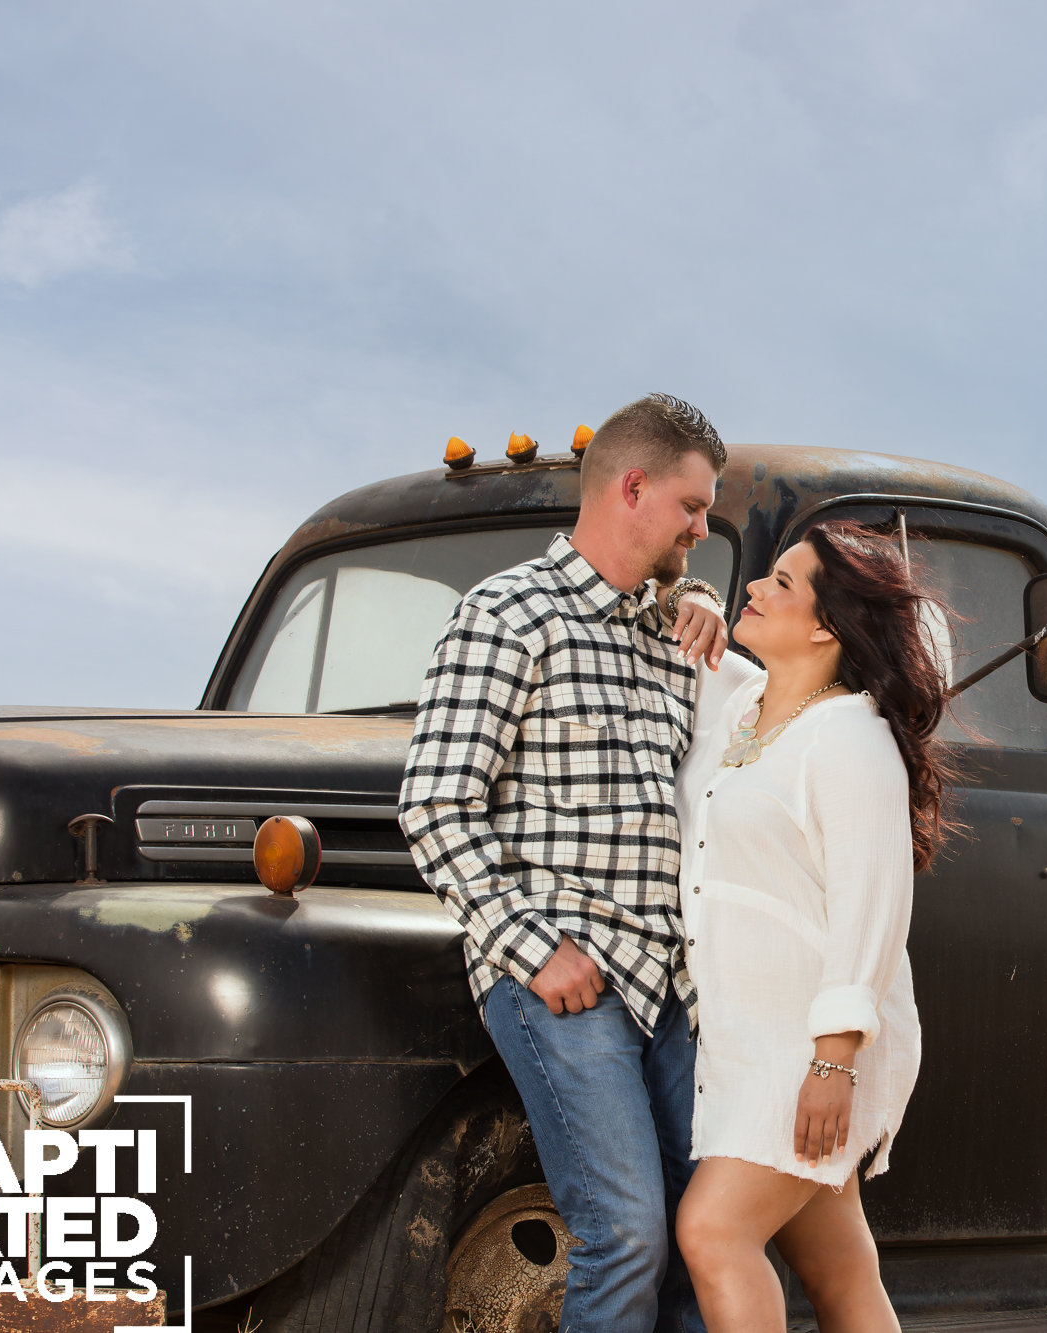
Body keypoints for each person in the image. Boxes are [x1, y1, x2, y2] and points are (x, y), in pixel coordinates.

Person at [399, 392, 733, 1333]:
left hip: (672, 984)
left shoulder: (675, 637)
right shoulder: (508, 615)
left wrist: (704, 605)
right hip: (564, 977)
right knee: (623, 1233)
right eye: (691, 507)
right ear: (632, 488)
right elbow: (434, 803)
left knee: (713, 1232)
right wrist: (533, 946)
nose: (702, 530)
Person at [673, 520, 953, 1333]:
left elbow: (874, 907)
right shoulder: (746, 705)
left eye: (782, 583)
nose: (755, 589)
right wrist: (693, 594)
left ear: (827, 626)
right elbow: (676, 633)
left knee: (713, 1231)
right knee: (838, 1269)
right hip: (747, 1040)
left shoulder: (851, 738)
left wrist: (833, 1061)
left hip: (815, 1051)